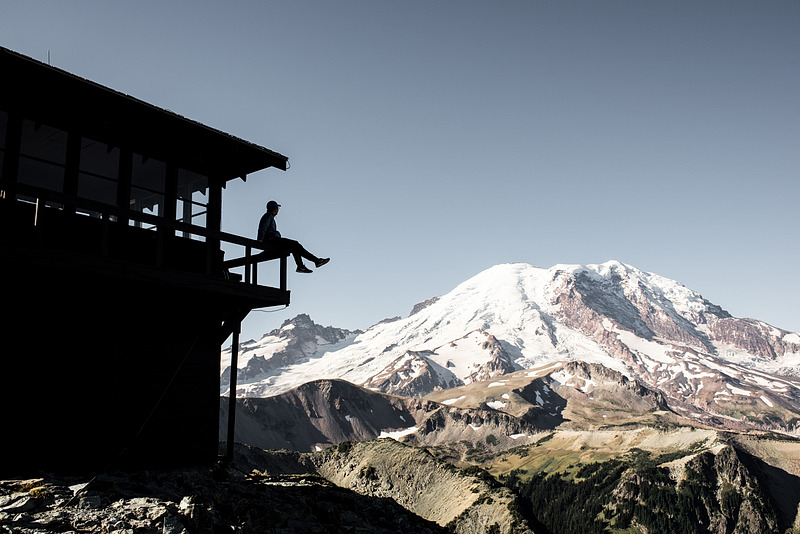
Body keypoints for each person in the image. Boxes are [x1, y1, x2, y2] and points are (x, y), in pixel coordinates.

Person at [257, 200, 330, 273]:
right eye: (277, 208)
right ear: (275, 209)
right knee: (295, 244)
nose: (278, 210)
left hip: (272, 239)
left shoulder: (269, 216)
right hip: (272, 240)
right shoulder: (268, 216)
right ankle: (314, 261)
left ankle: (303, 265)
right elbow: (263, 227)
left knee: (294, 247)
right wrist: (260, 240)